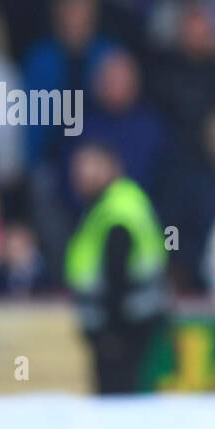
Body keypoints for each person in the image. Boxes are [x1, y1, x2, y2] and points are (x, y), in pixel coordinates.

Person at [64, 142, 169, 394]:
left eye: (92, 166)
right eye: (79, 167)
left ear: (113, 168)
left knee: (117, 408)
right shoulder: (120, 202)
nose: (83, 175)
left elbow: (116, 278)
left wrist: (111, 334)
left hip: (123, 330)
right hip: (134, 323)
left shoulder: (115, 213)